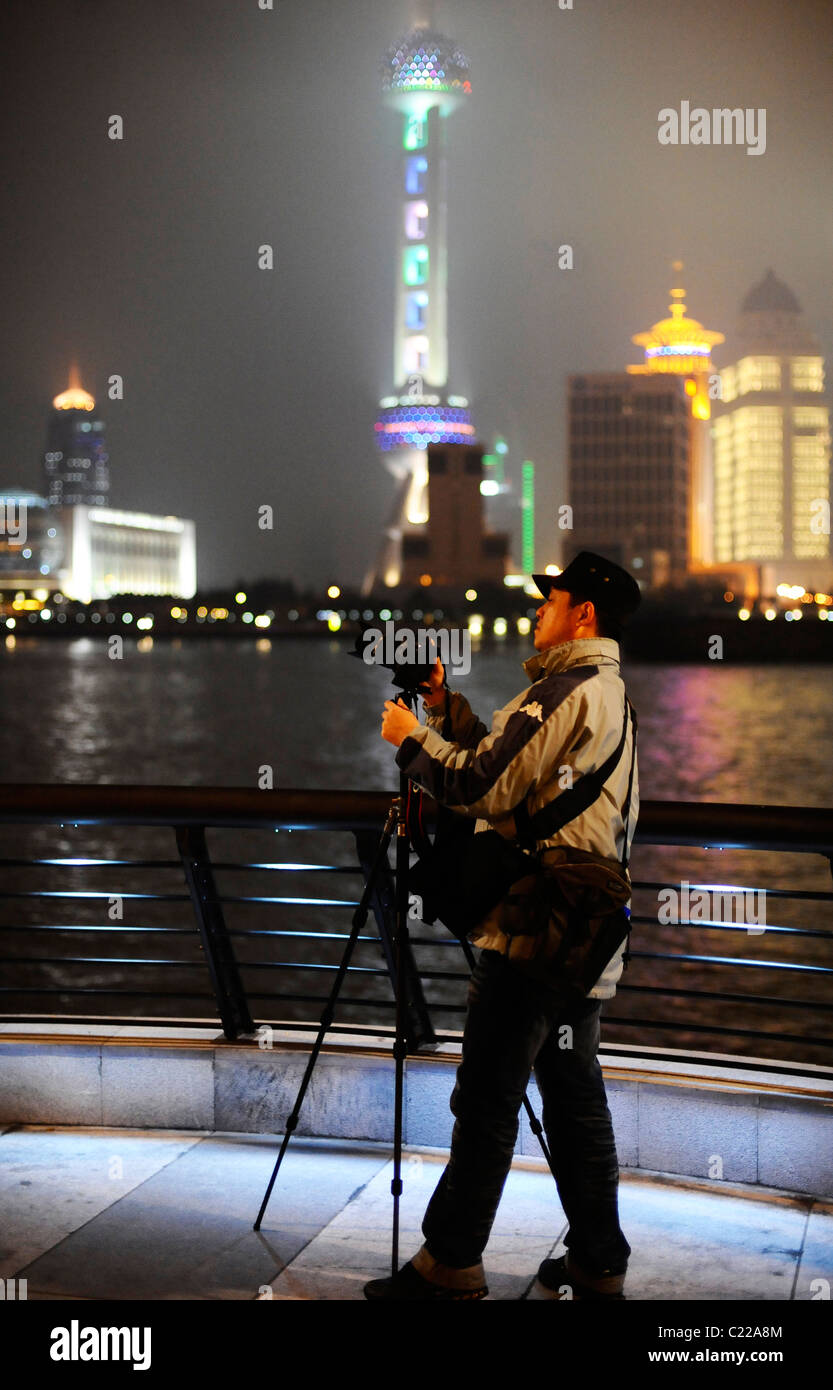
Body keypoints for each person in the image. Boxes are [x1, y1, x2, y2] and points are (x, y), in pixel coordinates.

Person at [365, 550, 642, 1301]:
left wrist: (408, 738)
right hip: (589, 932)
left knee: (486, 1097)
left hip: (535, 931)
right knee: (574, 1096)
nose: (538, 609)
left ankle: (450, 1262)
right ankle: (597, 1262)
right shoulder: (608, 692)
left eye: (549, 598)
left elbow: (480, 783)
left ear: (581, 612)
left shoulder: (562, 690)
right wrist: (446, 712)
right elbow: (520, 772)